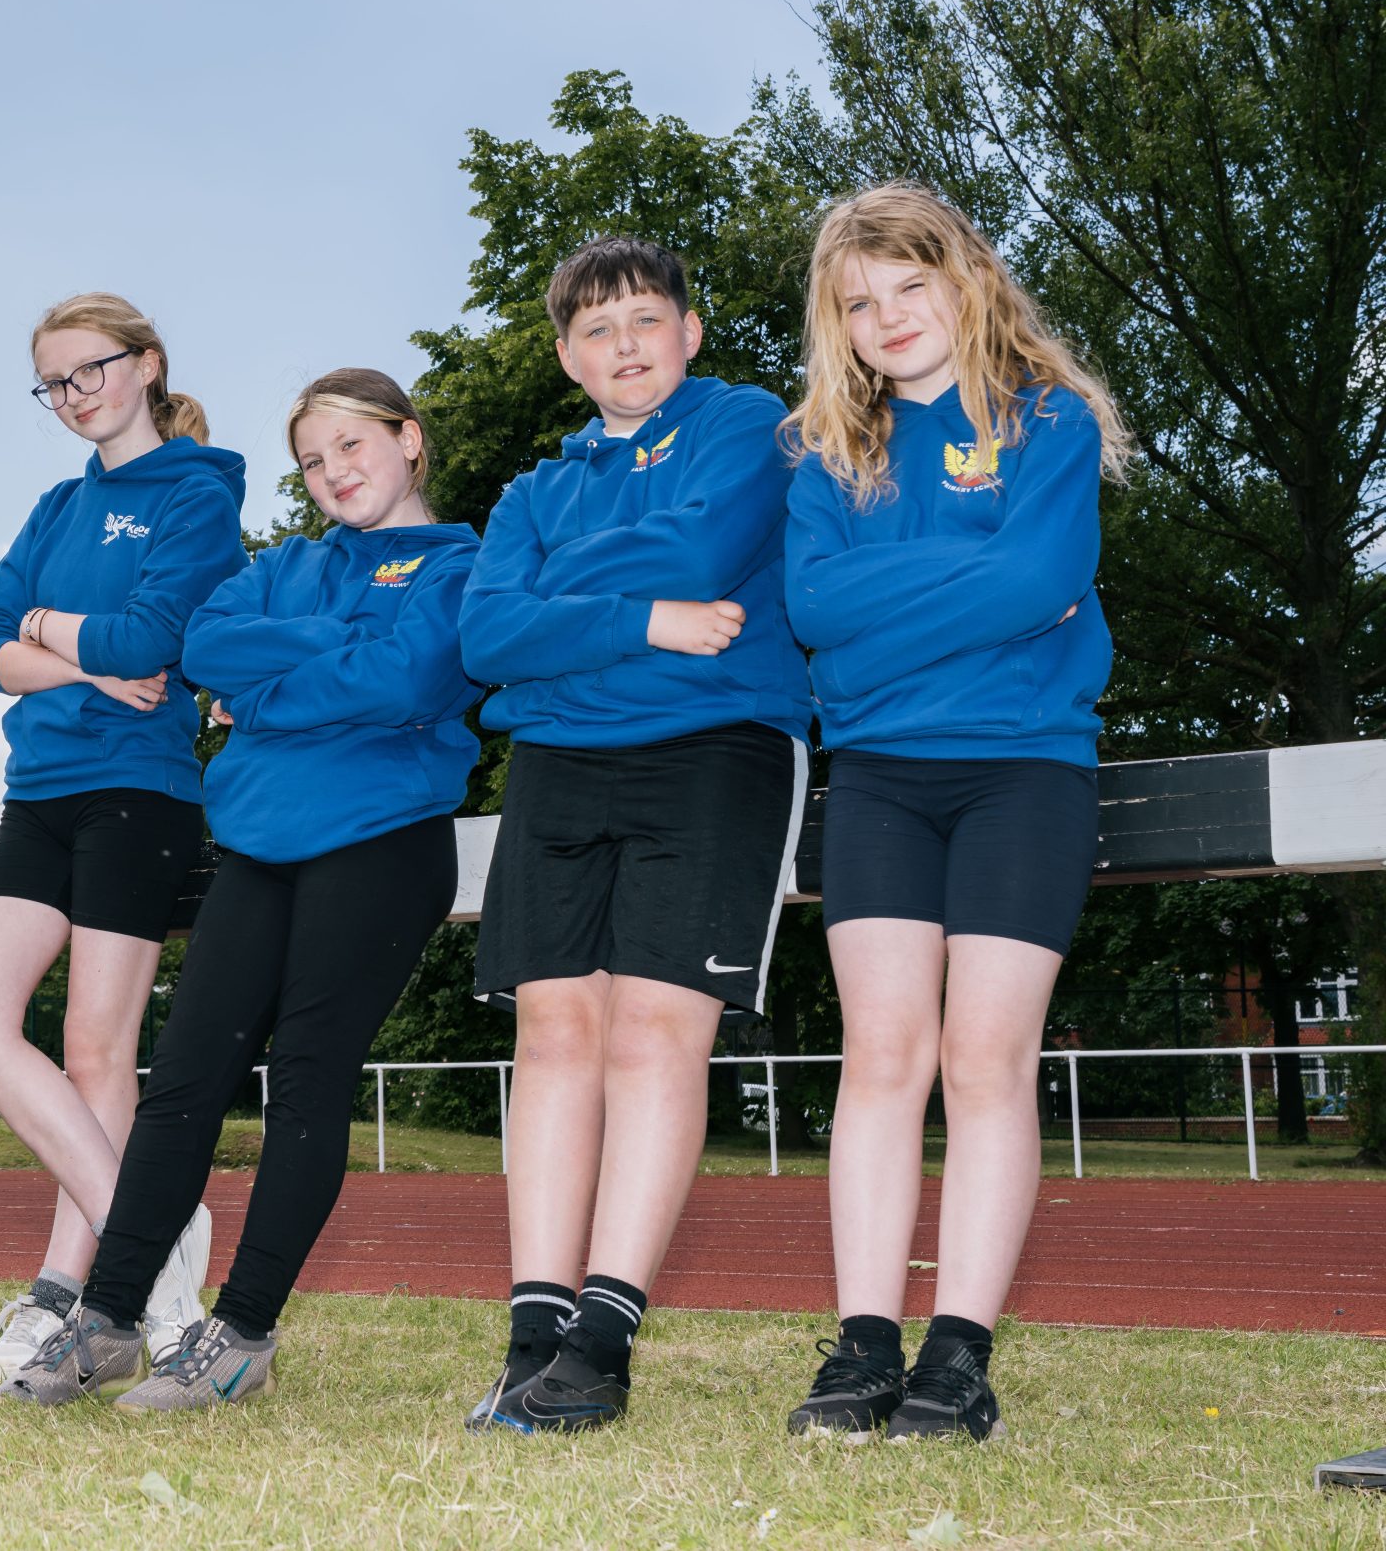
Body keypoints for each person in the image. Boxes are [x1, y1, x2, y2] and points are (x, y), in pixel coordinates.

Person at [0, 368, 478, 1411]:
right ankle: (110, 1319)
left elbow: (406, 681)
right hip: (259, 846)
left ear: (408, 441)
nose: (332, 472)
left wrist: (275, 689)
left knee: (306, 1078)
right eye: (311, 459)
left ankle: (242, 1336)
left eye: (351, 446)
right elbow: (208, 646)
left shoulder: (461, 565)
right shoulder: (283, 566)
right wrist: (325, 655)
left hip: (383, 843)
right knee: (180, 1086)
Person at [782, 181, 1128, 1443]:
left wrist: (888, 605)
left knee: (986, 1061)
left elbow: (1041, 580)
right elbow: (815, 616)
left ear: (966, 278)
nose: (888, 317)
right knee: (880, 1059)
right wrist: (959, 590)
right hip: (876, 777)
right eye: (859, 302)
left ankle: (956, 1361)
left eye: (908, 286)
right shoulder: (824, 452)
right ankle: (862, 1348)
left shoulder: (1050, 422)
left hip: (1024, 771)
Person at [457, 237, 810, 1434]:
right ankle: (531, 1338)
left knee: (658, 1033)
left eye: (644, 319)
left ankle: (601, 1346)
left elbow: (701, 555)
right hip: (559, 762)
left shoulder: (746, 422)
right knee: (555, 1034)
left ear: (688, 330)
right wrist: (640, 617)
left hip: (715, 747)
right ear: (566, 356)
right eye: (597, 330)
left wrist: (568, 608)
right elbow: (485, 636)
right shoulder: (529, 490)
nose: (624, 346)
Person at [0, 293, 247, 1383]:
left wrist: (40, 628)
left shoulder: (201, 494)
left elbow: (151, 640)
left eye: (94, 370)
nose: (76, 396)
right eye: (55, 382)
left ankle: (71, 1292)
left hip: (141, 788)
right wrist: (69, 656)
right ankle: (151, 1248)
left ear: (147, 364)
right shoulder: (55, 507)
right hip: (43, 788)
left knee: (96, 1051)